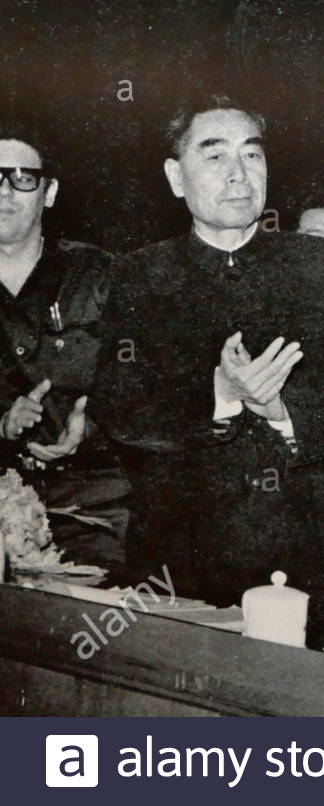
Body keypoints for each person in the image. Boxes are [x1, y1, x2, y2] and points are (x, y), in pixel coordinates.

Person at [93, 95, 324, 655]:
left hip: (308, 548)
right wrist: (221, 395)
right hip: (181, 559)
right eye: (215, 157)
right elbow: (119, 410)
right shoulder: (138, 275)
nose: (239, 175)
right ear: (176, 177)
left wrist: (286, 412)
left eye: (253, 155)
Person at [0, 129, 129, 566]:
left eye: (22, 178)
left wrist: (91, 420)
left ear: (48, 193)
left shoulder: (98, 274)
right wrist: (3, 424)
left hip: (98, 506)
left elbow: (147, 379)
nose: (4, 192)